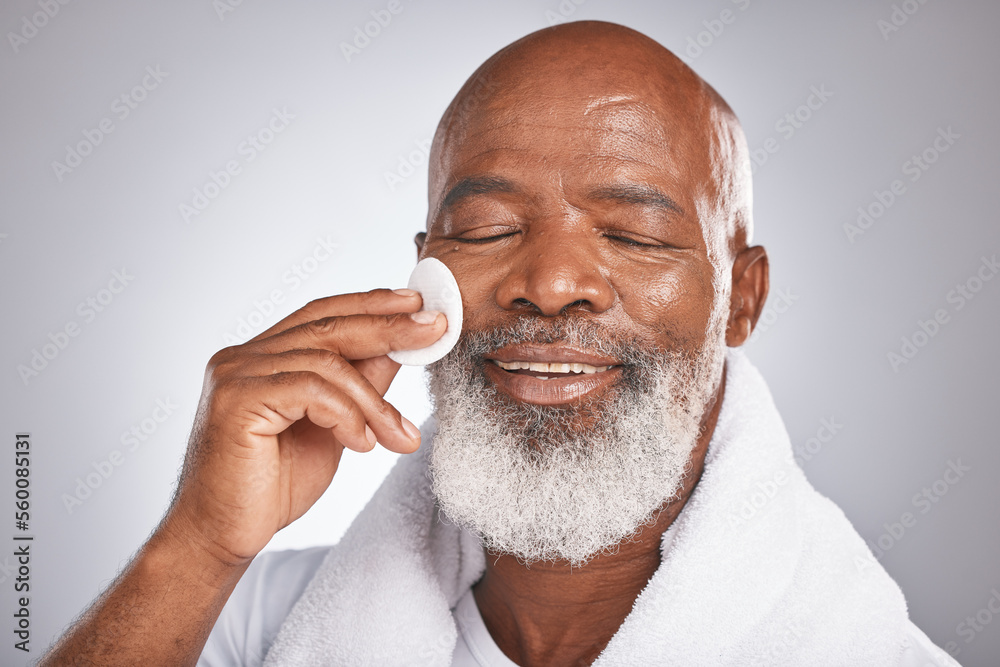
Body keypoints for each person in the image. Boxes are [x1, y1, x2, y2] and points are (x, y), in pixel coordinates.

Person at [41, 20, 958, 666]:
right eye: (485, 229)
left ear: (740, 298)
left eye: (633, 235)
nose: (550, 283)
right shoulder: (252, 627)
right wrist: (200, 544)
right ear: (421, 274)